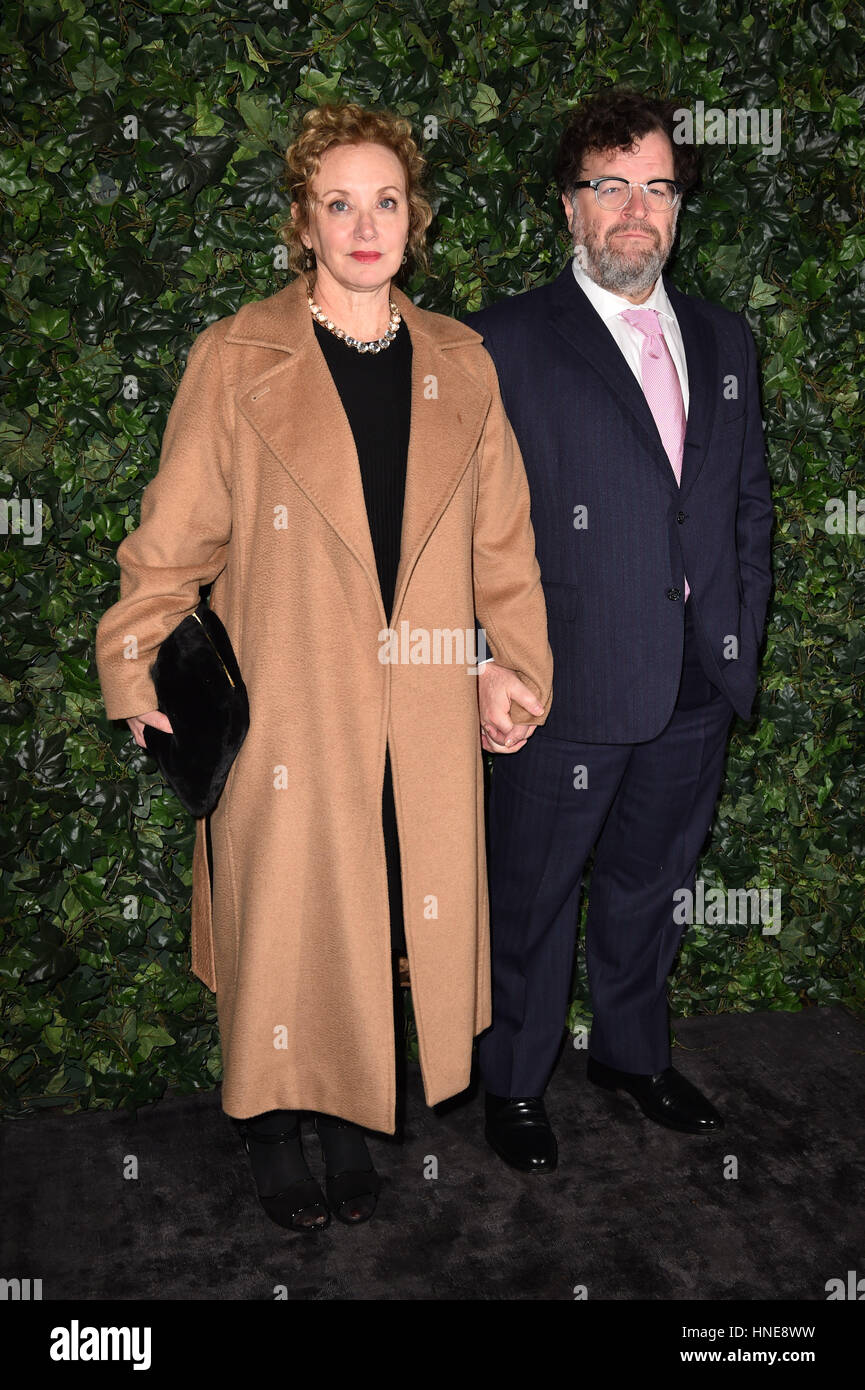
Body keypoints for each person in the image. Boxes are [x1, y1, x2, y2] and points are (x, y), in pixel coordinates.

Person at [94, 103, 552, 1230]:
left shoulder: (462, 362)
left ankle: (348, 1120)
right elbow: (171, 545)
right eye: (338, 202)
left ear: (413, 221)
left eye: (385, 201)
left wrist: (505, 665)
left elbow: (503, 551)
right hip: (289, 707)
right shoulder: (237, 355)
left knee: (386, 916)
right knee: (289, 921)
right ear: (303, 223)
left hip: (421, 710)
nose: (364, 223)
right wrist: (135, 657)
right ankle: (270, 1121)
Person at [464, 89, 773, 1172]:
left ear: (677, 206)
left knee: (655, 886)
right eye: (610, 186)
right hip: (561, 688)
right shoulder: (499, 341)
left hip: (696, 683)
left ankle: (631, 1055)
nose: (635, 210)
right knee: (533, 898)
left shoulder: (727, 339)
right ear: (569, 207)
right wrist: (479, 663)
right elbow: (449, 526)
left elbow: (742, 507)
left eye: (656, 186)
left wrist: (739, 637)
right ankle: (512, 1081)